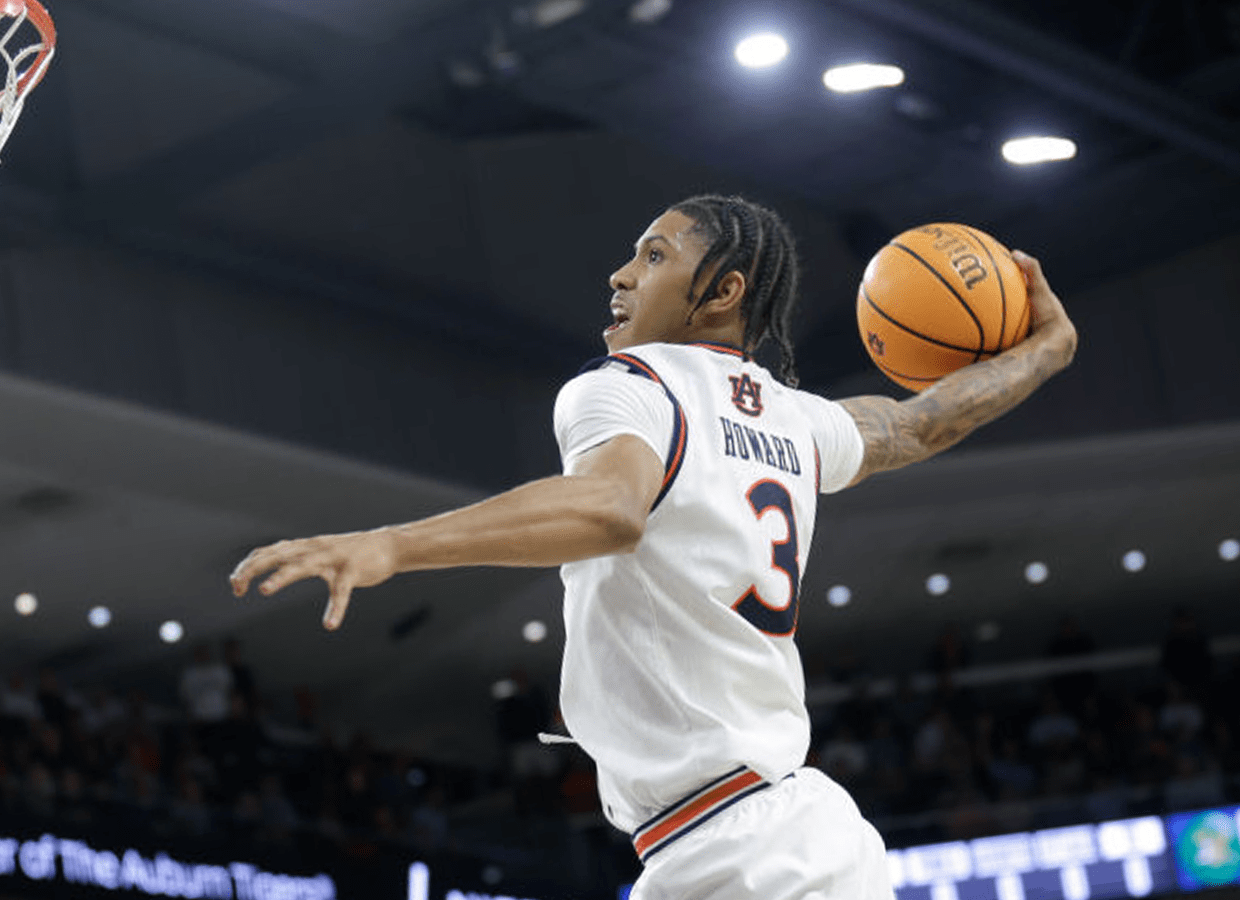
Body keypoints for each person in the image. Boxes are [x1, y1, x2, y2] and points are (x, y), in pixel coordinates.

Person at [230, 194, 1077, 899]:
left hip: (743, 852)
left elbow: (609, 508)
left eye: (654, 255)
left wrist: (392, 546)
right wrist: (1047, 351)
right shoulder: (796, 420)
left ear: (722, 290)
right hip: (770, 840)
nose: (621, 274)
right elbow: (922, 421)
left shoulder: (626, 389)